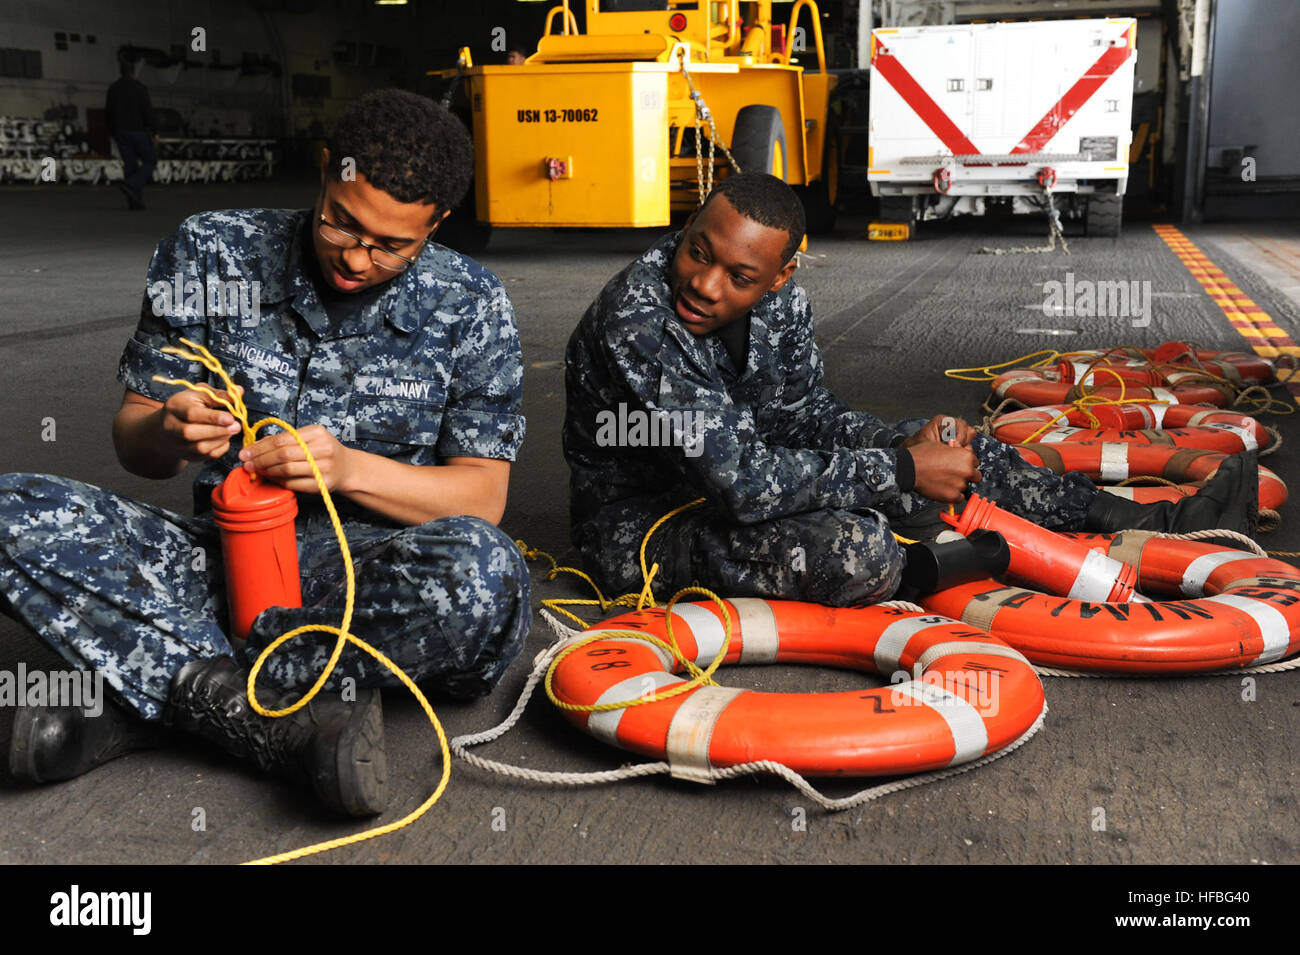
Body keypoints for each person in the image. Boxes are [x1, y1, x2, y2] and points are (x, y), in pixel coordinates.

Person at [0, 89, 531, 817]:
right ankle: (270, 722)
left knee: (485, 576)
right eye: (341, 221)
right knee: (13, 510)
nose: (355, 255)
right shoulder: (211, 250)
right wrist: (169, 431)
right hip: (219, 560)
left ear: (435, 225)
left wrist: (348, 469)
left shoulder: (472, 302)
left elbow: (481, 497)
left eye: (390, 245)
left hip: (365, 587)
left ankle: (158, 686)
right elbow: (136, 444)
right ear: (323, 173)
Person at [562, 172, 1258, 606]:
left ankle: (1136, 522)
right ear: (688, 230)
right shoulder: (640, 319)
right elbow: (741, 483)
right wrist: (898, 469)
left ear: (780, 276)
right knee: (851, 547)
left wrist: (918, 446)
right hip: (648, 526)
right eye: (697, 251)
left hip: (753, 477)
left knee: (954, 443)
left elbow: (806, 418)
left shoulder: (783, 307)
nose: (704, 283)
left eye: (740, 276)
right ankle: (959, 559)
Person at [106, 57, 157, 210]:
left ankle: (134, 202)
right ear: (134, 73)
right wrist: (155, 130)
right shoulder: (140, 88)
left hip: (120, 132)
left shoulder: (113, 88)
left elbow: (108, 112)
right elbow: (147, 110)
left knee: (130, 165)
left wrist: (111, 132)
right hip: (138, 131)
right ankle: (131, 185)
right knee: (150, 160)